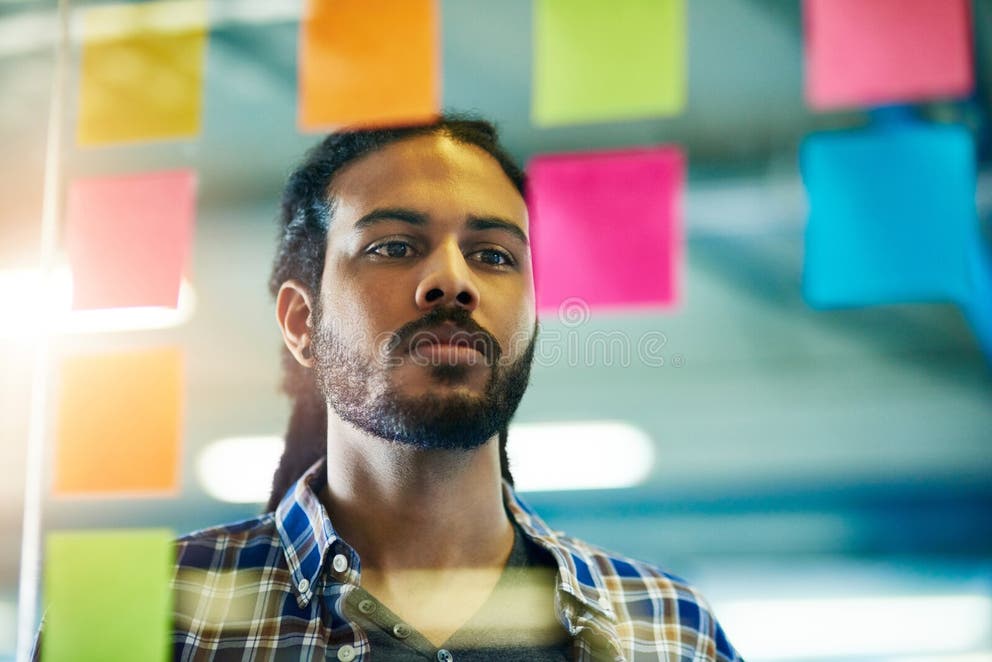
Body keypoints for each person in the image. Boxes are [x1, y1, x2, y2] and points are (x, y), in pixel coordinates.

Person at [172, 116, 742, 661]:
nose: (453, 280)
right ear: (302, 323)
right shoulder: (167, 612)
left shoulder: (671, 633)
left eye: (493, 255)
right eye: (394, 246)